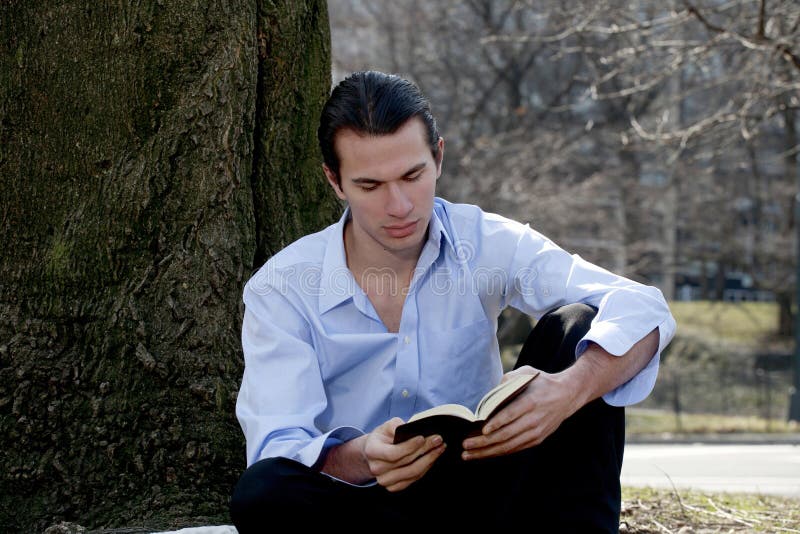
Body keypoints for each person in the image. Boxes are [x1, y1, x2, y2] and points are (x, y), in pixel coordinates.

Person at [230, 70, 676, 532]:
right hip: (366, 510)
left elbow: (643, 307)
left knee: (581, 325)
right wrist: (363, 457)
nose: (400, 205)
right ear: (335, 181)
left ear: (438, 157)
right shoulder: (282, 286)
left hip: (488, 492)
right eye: (370, 186)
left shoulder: (484, 241)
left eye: (412, 175)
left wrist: (568, 391)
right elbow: (277, 444)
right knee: (263, 491)